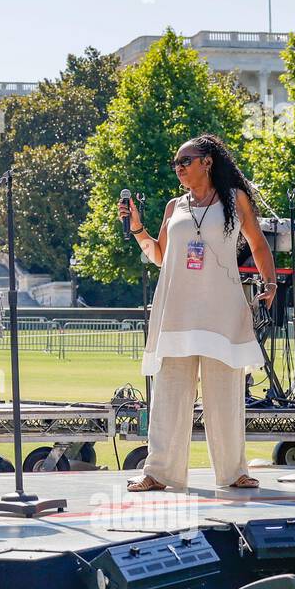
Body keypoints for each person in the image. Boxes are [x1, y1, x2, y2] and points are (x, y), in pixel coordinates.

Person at [120, 135, 278, 493]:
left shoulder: (235, 200)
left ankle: (233, 471)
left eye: (185, 160)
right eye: (175, 163)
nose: (178, 168)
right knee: (169, 394)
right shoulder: (174, 206)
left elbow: (258, 243)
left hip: (221, 309)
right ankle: (159, 472)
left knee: (226, 395)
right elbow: (159, 256)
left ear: (207, 161)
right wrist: (137, 228)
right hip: (177, 308)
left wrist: (270, 283)